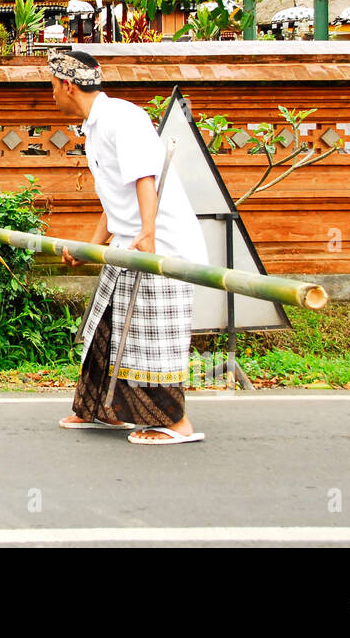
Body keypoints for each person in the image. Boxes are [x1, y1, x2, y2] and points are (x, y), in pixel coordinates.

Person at [49, 49, 207, 445]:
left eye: (52, 84)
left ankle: (175, 423)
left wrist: (149, 234)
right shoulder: (93, 128)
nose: (50, 92)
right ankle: (103, 410)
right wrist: (89, 246)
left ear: (67, 86)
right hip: (127, 243)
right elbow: (114, 200)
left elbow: (144, 179)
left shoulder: (122, 118)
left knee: (151, 339)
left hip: (160, 246)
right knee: (105, 326)